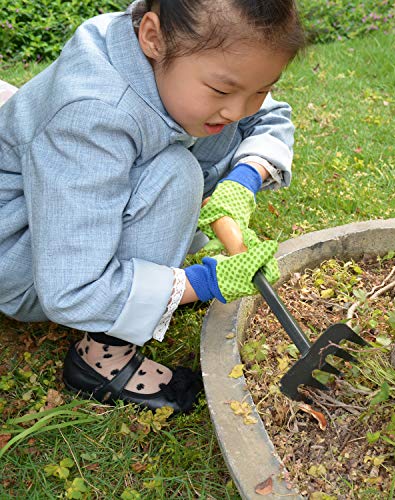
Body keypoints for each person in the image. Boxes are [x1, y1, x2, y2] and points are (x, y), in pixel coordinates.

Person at [0, 0, 305, 414]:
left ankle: (151, 282)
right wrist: (200, 283)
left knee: (216, 131)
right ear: (152, 37)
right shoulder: (92, 115)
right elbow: (69, 289)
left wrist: (244, 179)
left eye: (261, 88)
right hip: (25, 255)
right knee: (176, 174)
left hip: (69, 216)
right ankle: (103, 360)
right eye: (222, 90)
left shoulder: (183, 59)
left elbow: (268, 120)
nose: (239, 108)